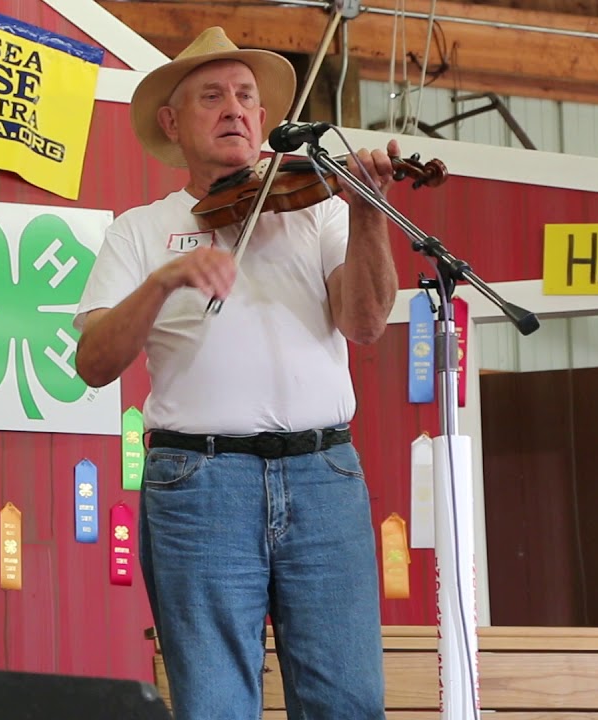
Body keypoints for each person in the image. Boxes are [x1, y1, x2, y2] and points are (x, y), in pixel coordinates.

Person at [73, 27, 398, 720]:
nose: (236, 110)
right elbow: (94, 362)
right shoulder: (141, 230)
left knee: (351, 701)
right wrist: (161, 283)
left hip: (324, 475)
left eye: (248, 98)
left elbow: (365, 323)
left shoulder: (319, 211)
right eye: (213, 96)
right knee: (214, 705)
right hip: (199, 481)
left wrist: (370, 215)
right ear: (171, 122)